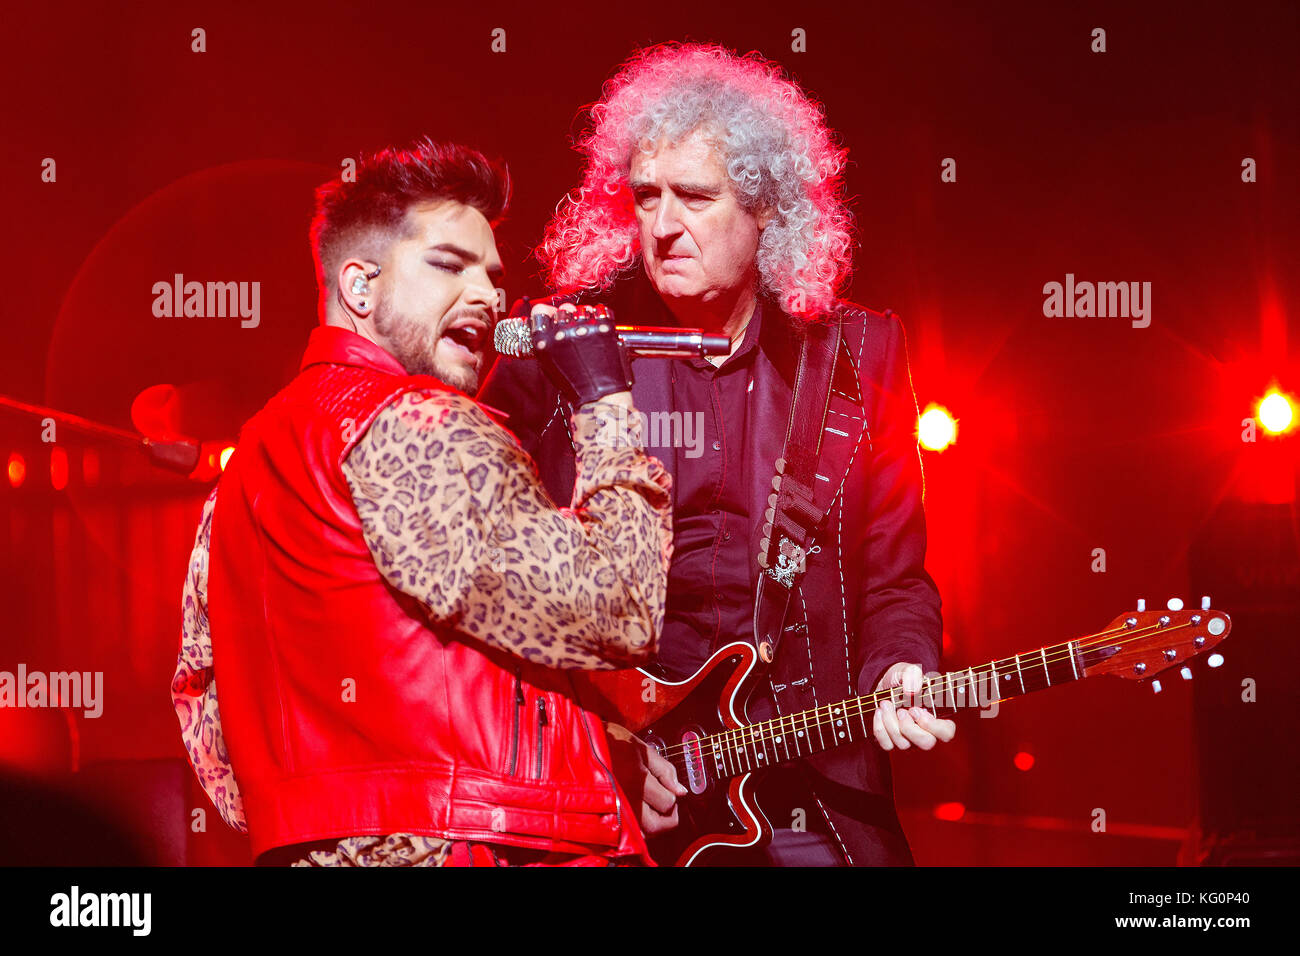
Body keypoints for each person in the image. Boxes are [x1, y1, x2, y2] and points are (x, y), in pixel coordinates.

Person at [480, 43, 955, 866]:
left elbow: (893, 574)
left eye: (694, 197)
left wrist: (899, 667)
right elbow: (491, 586)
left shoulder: (855, 353)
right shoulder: (559, 350)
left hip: (808, 786)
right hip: (614, 790)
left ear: (767, 207)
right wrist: (610, 744)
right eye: (645, 198)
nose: (662, 227)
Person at [171, 138, 676, 866]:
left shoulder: (246, 461)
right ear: (360, 287)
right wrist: (604, 404)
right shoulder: (418, 422)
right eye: (448, 264)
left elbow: (200, 694)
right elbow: (619, 606)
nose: (487, 296)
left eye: (493, 276)